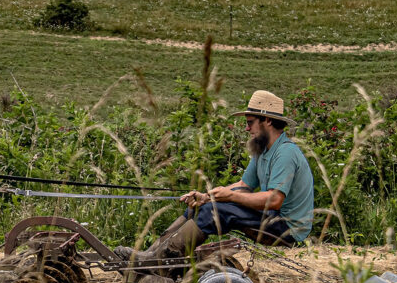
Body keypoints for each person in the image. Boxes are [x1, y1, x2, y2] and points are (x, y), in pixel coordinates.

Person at [124, 90, 314, 272]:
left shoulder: (285, 153)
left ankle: (163, 260)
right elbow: (244, 186)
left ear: (268, 121)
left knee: (215, 211)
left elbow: (274, 200)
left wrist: (229, 197)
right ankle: (151, 255)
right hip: (270, 216)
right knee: (199, 207)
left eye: (250, 123)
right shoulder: (263, 150)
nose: (247, 128)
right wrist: (206, 197)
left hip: (286, 227)